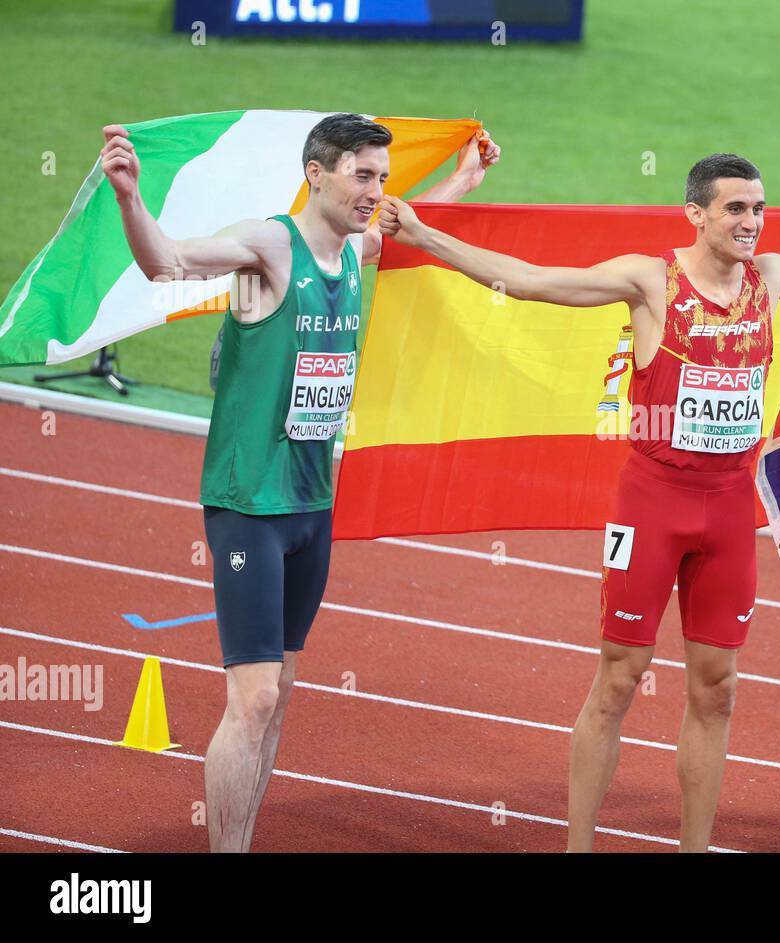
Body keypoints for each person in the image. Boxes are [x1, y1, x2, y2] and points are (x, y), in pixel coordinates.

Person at [378, 153, 780, 851]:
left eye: (759, 208)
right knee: (619, 679)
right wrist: (426, 237)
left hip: (731, 510)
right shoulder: (651, 281)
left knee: (717, 688)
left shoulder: (771, 277)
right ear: (695, 213)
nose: (751, 223)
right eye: (735, 209)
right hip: (651, 505)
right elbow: (528, 282)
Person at [100, 113, 500, 852]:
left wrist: (465, 178)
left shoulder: (352, 249)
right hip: (250, 502)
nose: (376, 190)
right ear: (317, 173)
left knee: (276, 696)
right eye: (363, 175)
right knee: (250, 697)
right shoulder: (269, 245)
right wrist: (130, 197)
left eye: (382, 177)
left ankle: (241, 841)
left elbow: (406, 229)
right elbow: (167, 263)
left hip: (313, 506)